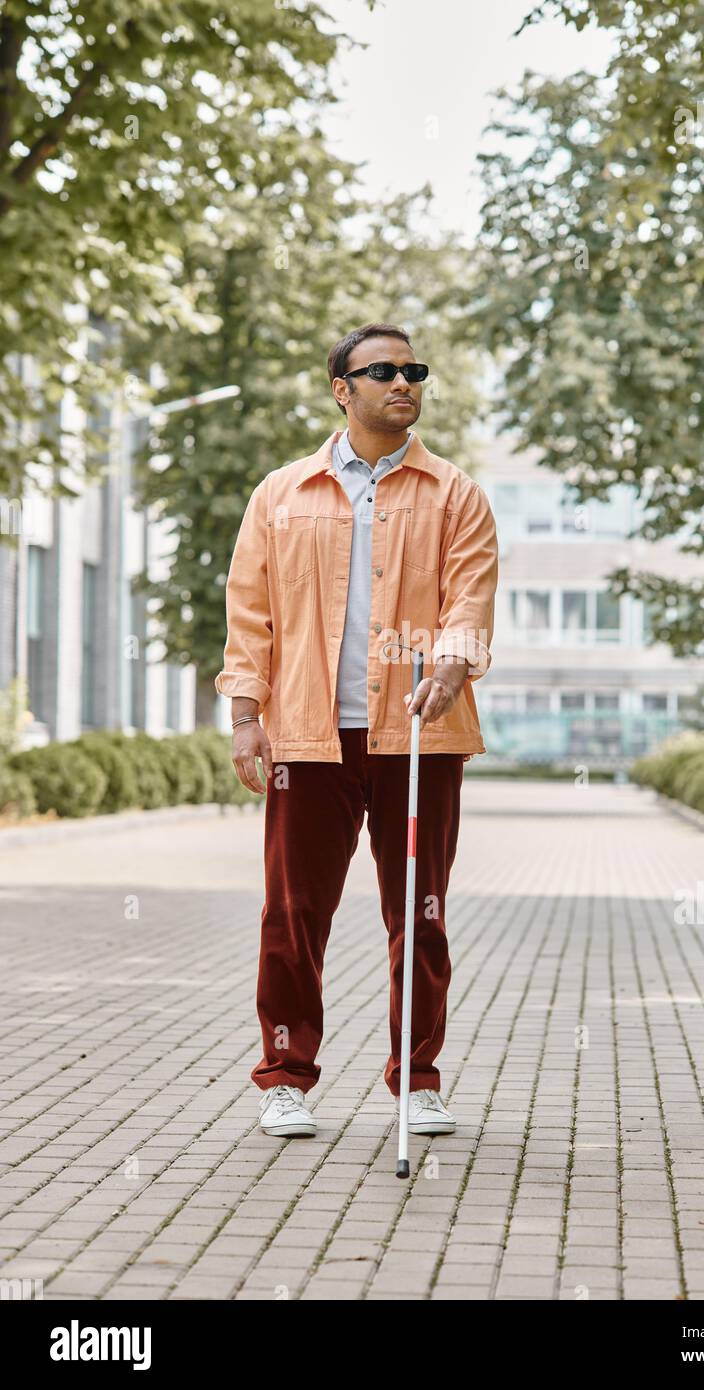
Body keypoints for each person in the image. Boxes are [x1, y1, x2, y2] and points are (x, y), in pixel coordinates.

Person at [215, 322, 498, 1140]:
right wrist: (244, 716)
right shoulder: (280, 496)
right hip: (308, 736)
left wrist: (454, 661)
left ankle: (417, 1081)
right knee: (292, 916)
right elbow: (250, 616)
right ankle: (285, 1077)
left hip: (419, 735)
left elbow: (469, 600)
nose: (403, 383)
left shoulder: (455, 495)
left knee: (421, 913)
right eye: (383, 372)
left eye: (414, 370)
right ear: (343, 389)